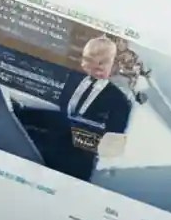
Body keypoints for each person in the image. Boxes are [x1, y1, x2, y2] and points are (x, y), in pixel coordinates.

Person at [43, 37, 133, 181]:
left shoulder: (120, 101)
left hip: (79, 164)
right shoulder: (73, 78)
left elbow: (113, 146)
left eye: (103, 62)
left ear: (114, 64)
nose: (96, 66)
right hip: (49, 150)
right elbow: (61, 109)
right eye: (91, 60)